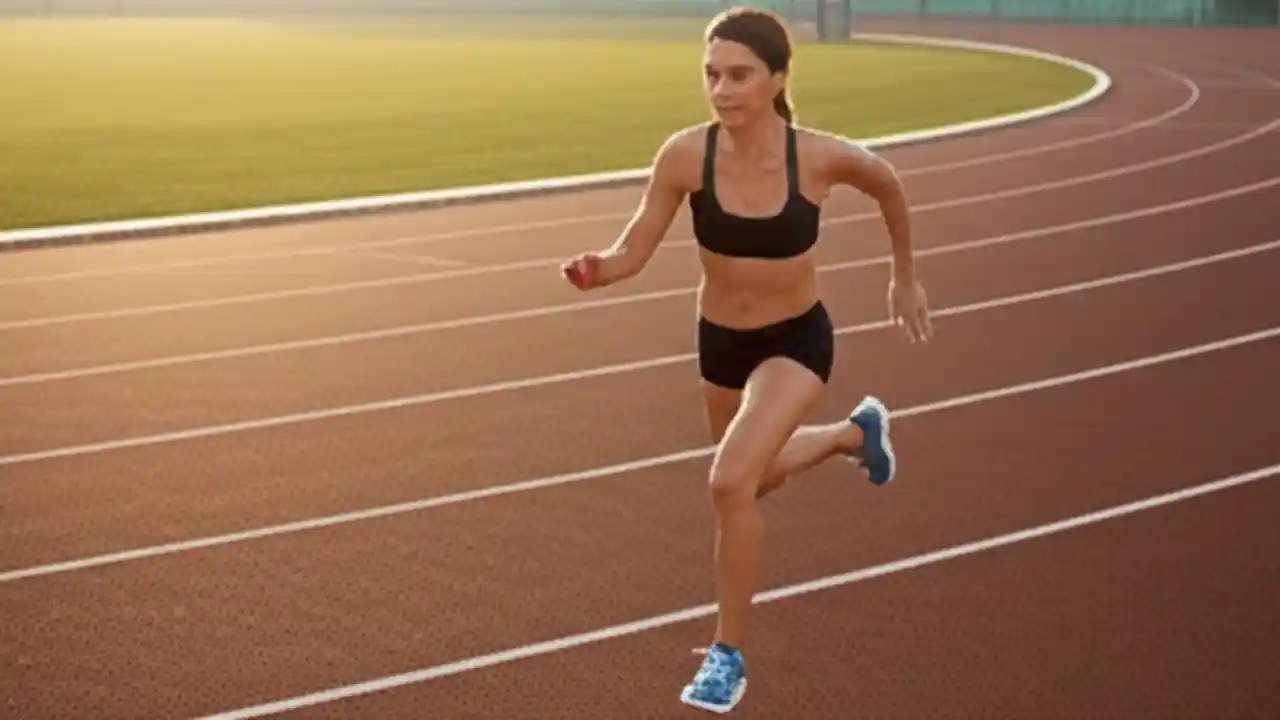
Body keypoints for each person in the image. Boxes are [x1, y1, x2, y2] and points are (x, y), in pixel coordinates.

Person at [560, 5, 932, 714]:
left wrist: (904, 275)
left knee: (729, 481)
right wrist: (596, 270)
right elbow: (635, 248)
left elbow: (886, 182)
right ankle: (856, 435)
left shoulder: (816, 156)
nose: (723, 90)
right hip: (720, 344)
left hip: (795, 342)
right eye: (711, 75)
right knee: (754, 485)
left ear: (778, 78)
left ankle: (726, 657)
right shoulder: (685, 156)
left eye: (739, 75)